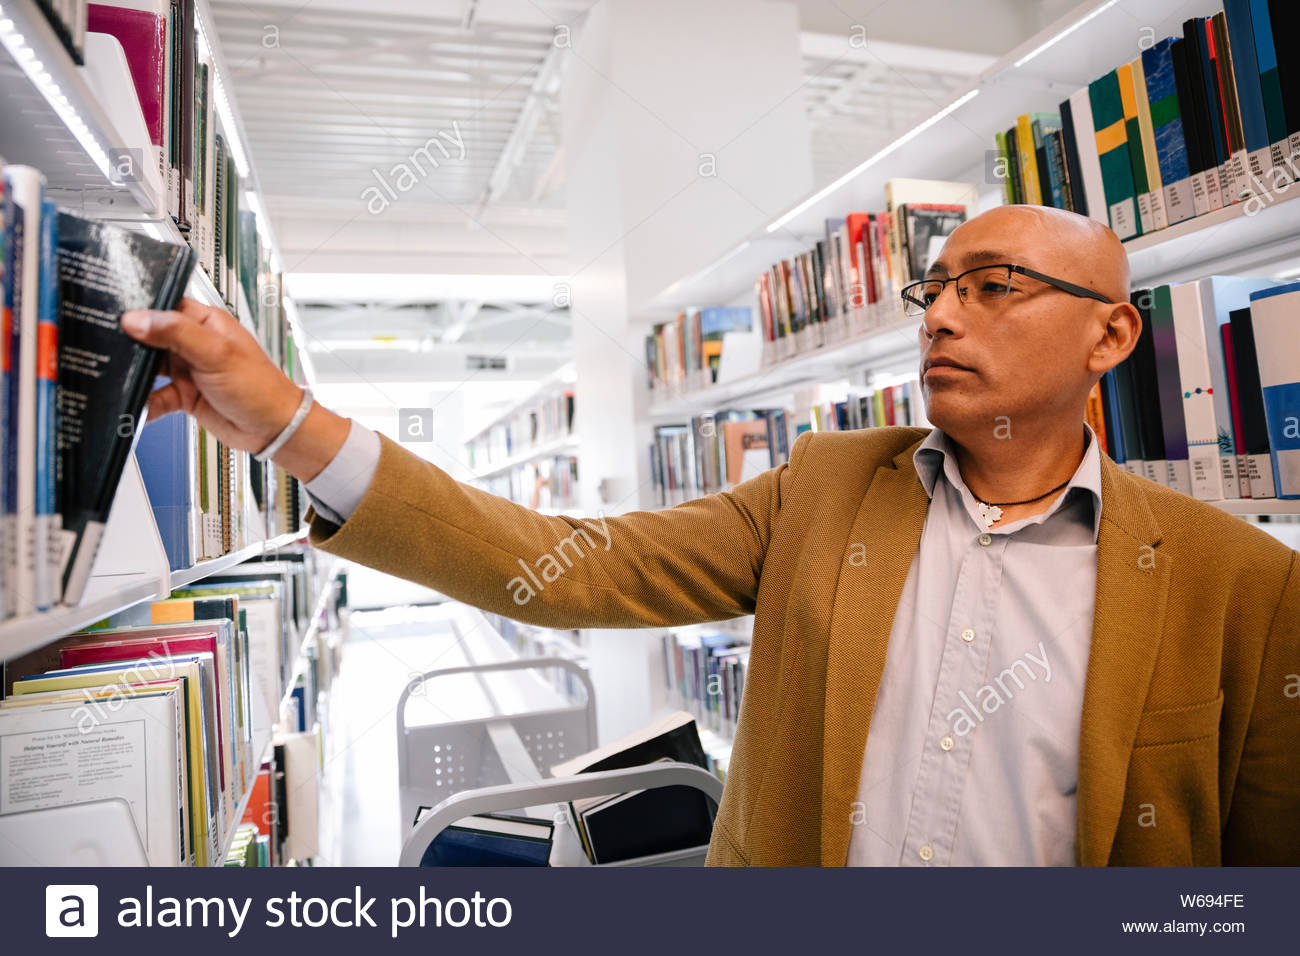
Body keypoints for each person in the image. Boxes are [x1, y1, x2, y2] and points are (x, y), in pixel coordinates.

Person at [121, 205, 1299, 866]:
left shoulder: (1238, 580)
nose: (939, 312)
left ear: (1110, 339)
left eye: (993, 286)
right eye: (934, 287)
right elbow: (568, 569)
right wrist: (288, 426)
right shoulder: (826, 488)